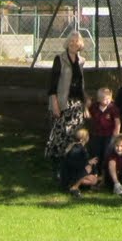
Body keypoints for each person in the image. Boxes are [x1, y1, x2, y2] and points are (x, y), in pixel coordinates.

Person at [44, 33, 87, 168]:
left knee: (75, 133)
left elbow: (81, 84)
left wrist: (85, 104)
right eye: (71, 41)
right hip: (63, 102)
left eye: (77, 41)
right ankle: (56, 161)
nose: (74, 44)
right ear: (67, 43)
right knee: (60, 134)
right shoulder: (60, 59)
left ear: (80, 44)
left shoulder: (81, 61)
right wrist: (55, 104)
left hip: (77, 103)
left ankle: (71, 161)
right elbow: (52, 84)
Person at [59, 126, 102, 195]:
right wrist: (88, 162)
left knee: (94, 180)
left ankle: (78, 185)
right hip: (69, 175)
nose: (89, 138)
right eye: (87, 136)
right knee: (88, 168)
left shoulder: (81, 148)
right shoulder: (76, 150)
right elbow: (73, 164)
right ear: (82, 139)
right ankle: (74, 187)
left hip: (75, 173)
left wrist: (94, 170)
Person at [88, 85, 122, 159]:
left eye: (109, 99)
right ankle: (96, 168)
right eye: (105, 99)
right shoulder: (94, 107)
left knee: (107, 152)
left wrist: (116, 133)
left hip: (109, 134)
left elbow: (117, 121)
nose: (107, 101)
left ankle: (105, 168)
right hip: (97, 134)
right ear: (99, 99)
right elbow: (89, 114)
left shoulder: (113, 108)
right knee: (96, 152)